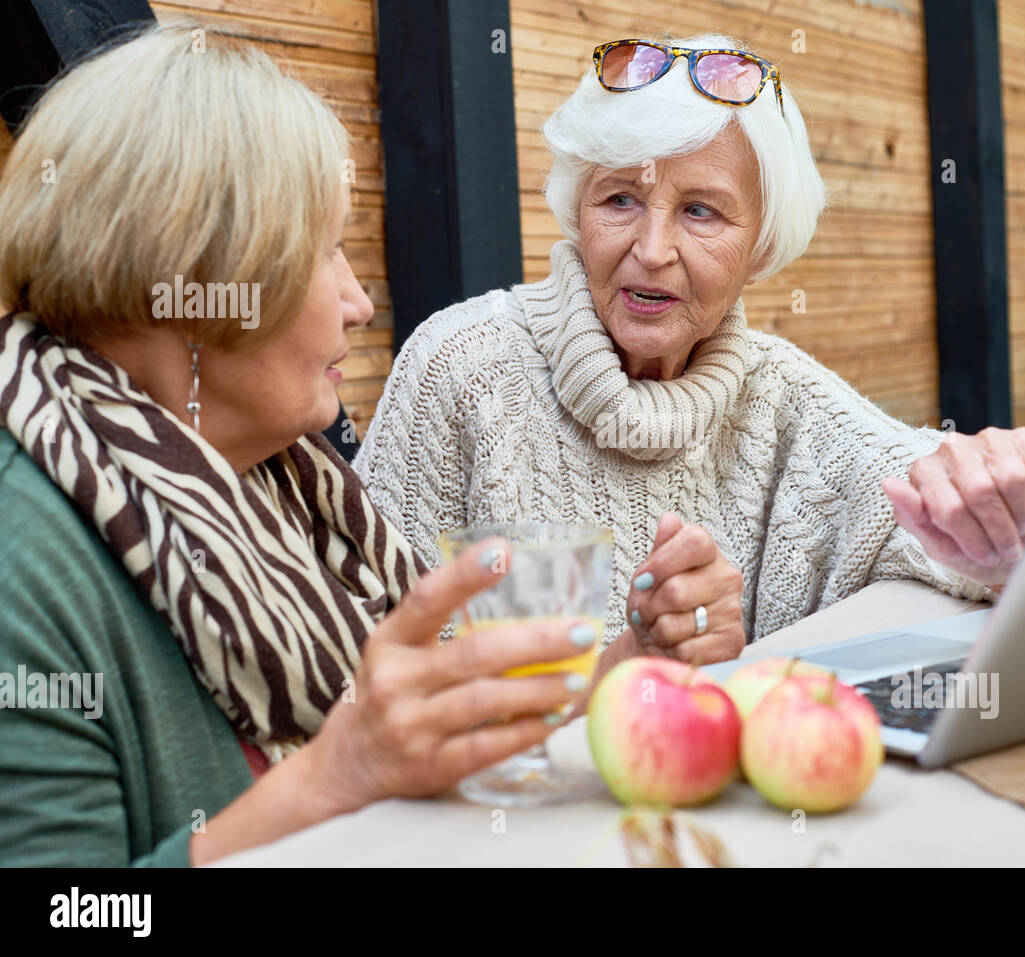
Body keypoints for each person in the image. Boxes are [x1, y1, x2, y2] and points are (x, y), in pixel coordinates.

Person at [0, 24, 596, 866]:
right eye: (325, 251)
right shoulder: (23, 562)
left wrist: (627, 663)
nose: (357, 300)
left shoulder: (293, 489)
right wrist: (336, 773)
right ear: (199, 279)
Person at [355, 35, 1025, 673]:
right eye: (621, 199)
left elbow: (949, 535)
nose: (652, 250)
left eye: (701, 211)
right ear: (578, 211)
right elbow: (361, 661)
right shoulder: (461, 364)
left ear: (759, 248)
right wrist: (624, 663)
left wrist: (992, 494)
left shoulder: (782, 397)